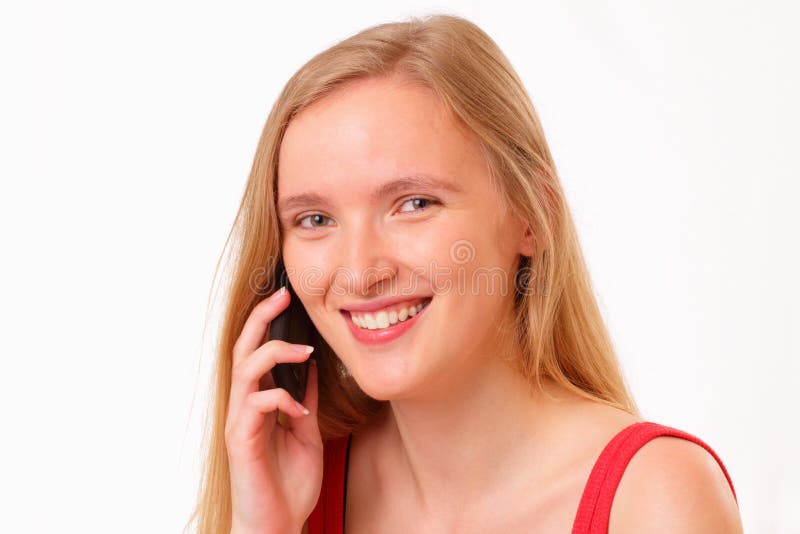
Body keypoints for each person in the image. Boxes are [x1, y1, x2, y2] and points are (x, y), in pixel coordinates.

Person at [189, 14, 743, 534]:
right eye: (315, 219)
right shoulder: (295, 484)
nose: (358, 272)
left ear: (532, 217)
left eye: (415, 204)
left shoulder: (655, 500)